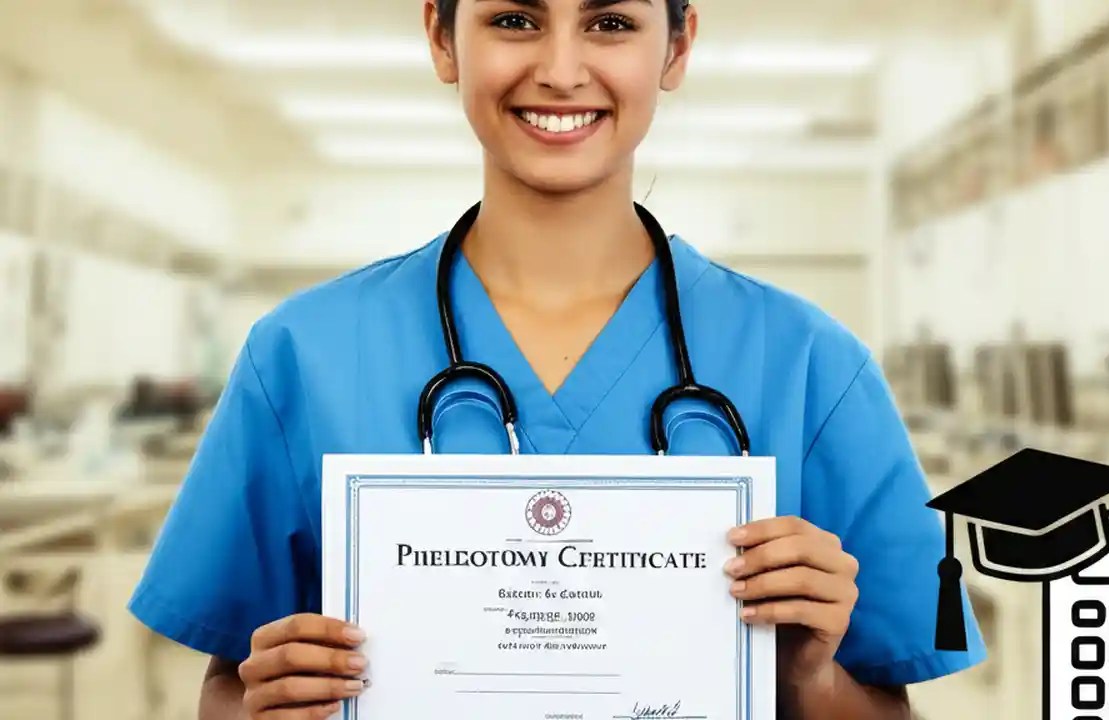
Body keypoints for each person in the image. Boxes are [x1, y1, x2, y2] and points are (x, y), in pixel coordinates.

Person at [127, 1, 986, 718]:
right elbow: (225, 690)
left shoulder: (809, 364)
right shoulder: (302, 354)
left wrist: (804, 679)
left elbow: (885, 706)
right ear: (441, 38)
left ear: (678, 46)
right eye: (514, 19)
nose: (562, 69)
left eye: (610, 22)